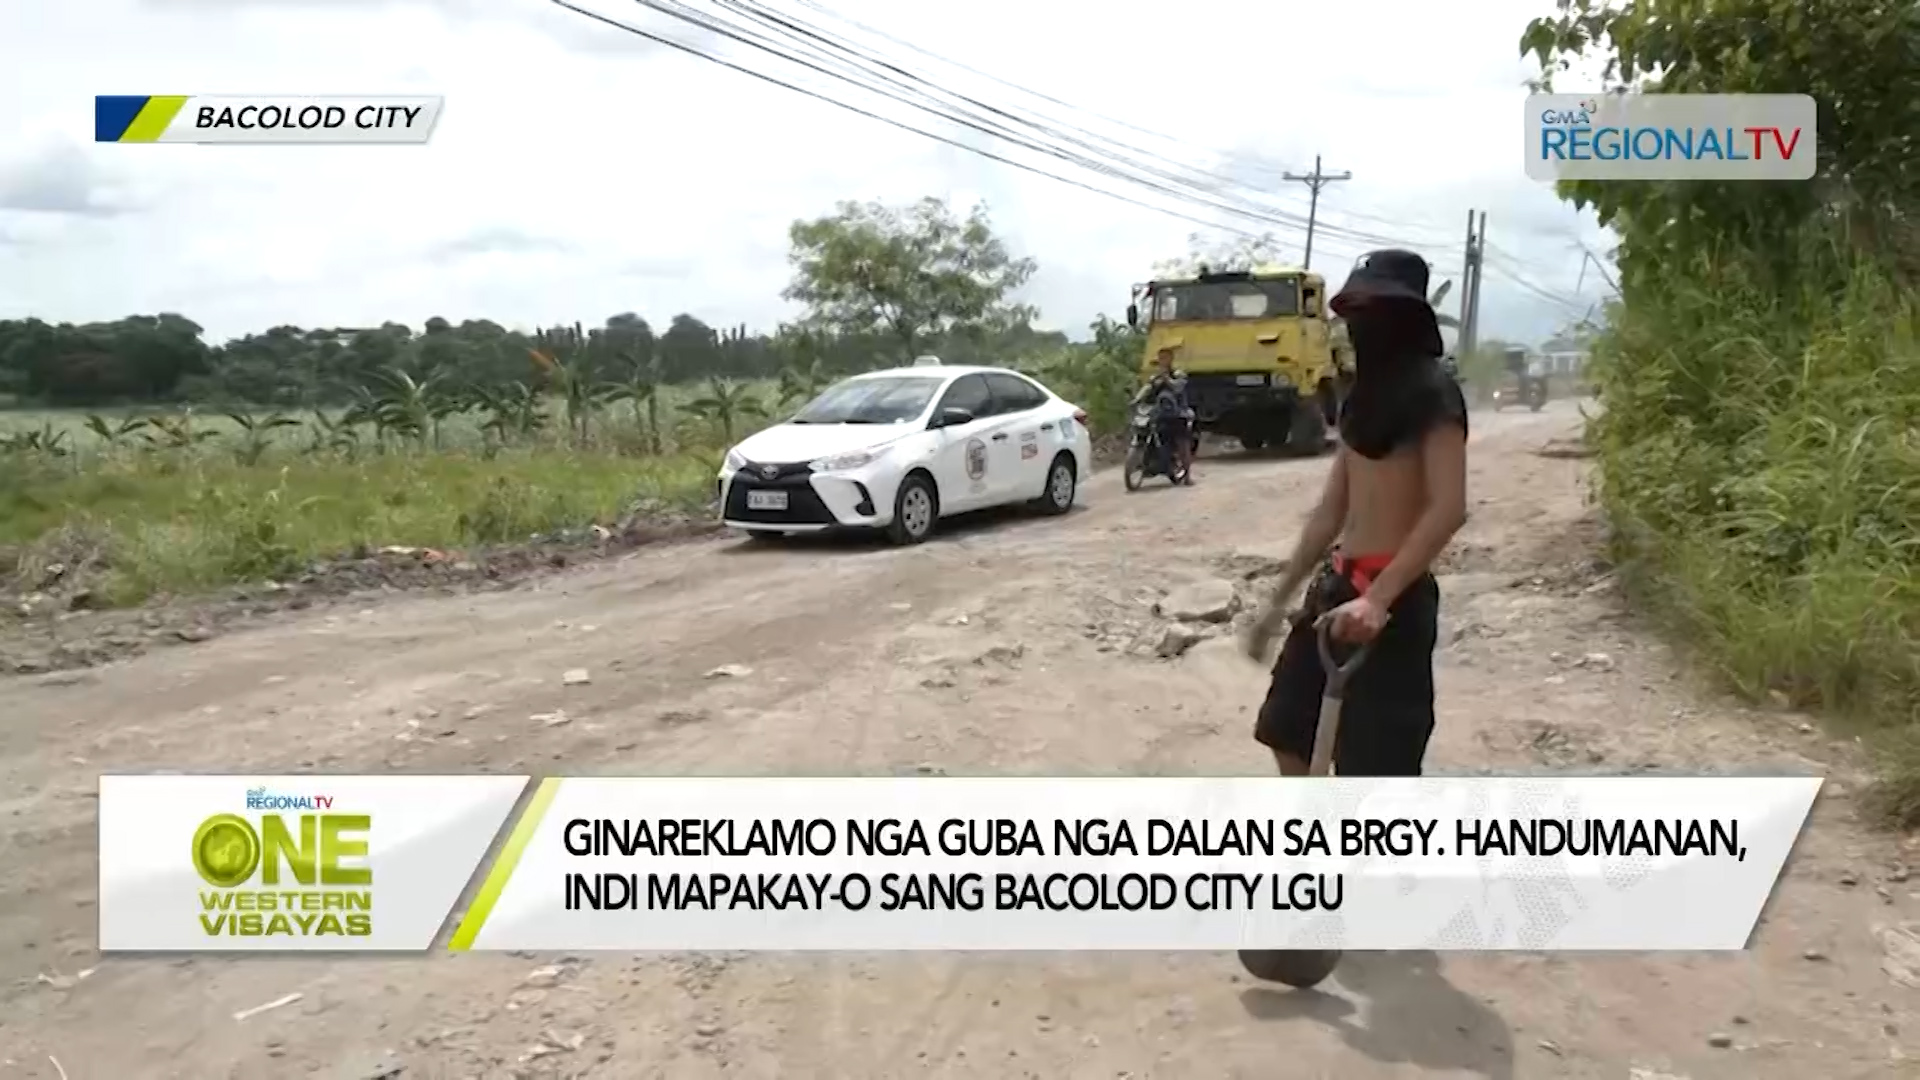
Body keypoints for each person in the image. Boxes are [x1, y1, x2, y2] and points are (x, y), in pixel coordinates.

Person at [1241, 249, 1469, 777]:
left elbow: (1449, 508)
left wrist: (1378, 598)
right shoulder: (1359, 400)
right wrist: (1275, 604)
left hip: (1394, 605)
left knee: (1376, 768)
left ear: (1405, 316)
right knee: (1286, 732)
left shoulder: (1436, 396)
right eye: (1354, 309)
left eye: (1374, 308)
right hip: (1337, 590)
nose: (1358, 324)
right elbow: (1330, 512)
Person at [1132, 348, 1196, 484]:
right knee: (1156, 438)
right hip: (1160, 415)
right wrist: (1136, 399)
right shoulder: (1155, 377)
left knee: (1182, 445)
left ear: (1171, 359)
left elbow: (1178, 388)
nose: (1162, 361)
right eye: (1160, 358)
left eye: (1165, 358)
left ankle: (1188, 476)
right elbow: (1147, 388)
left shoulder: (1178, 374)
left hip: (1178, 414)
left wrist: (1166, 378)